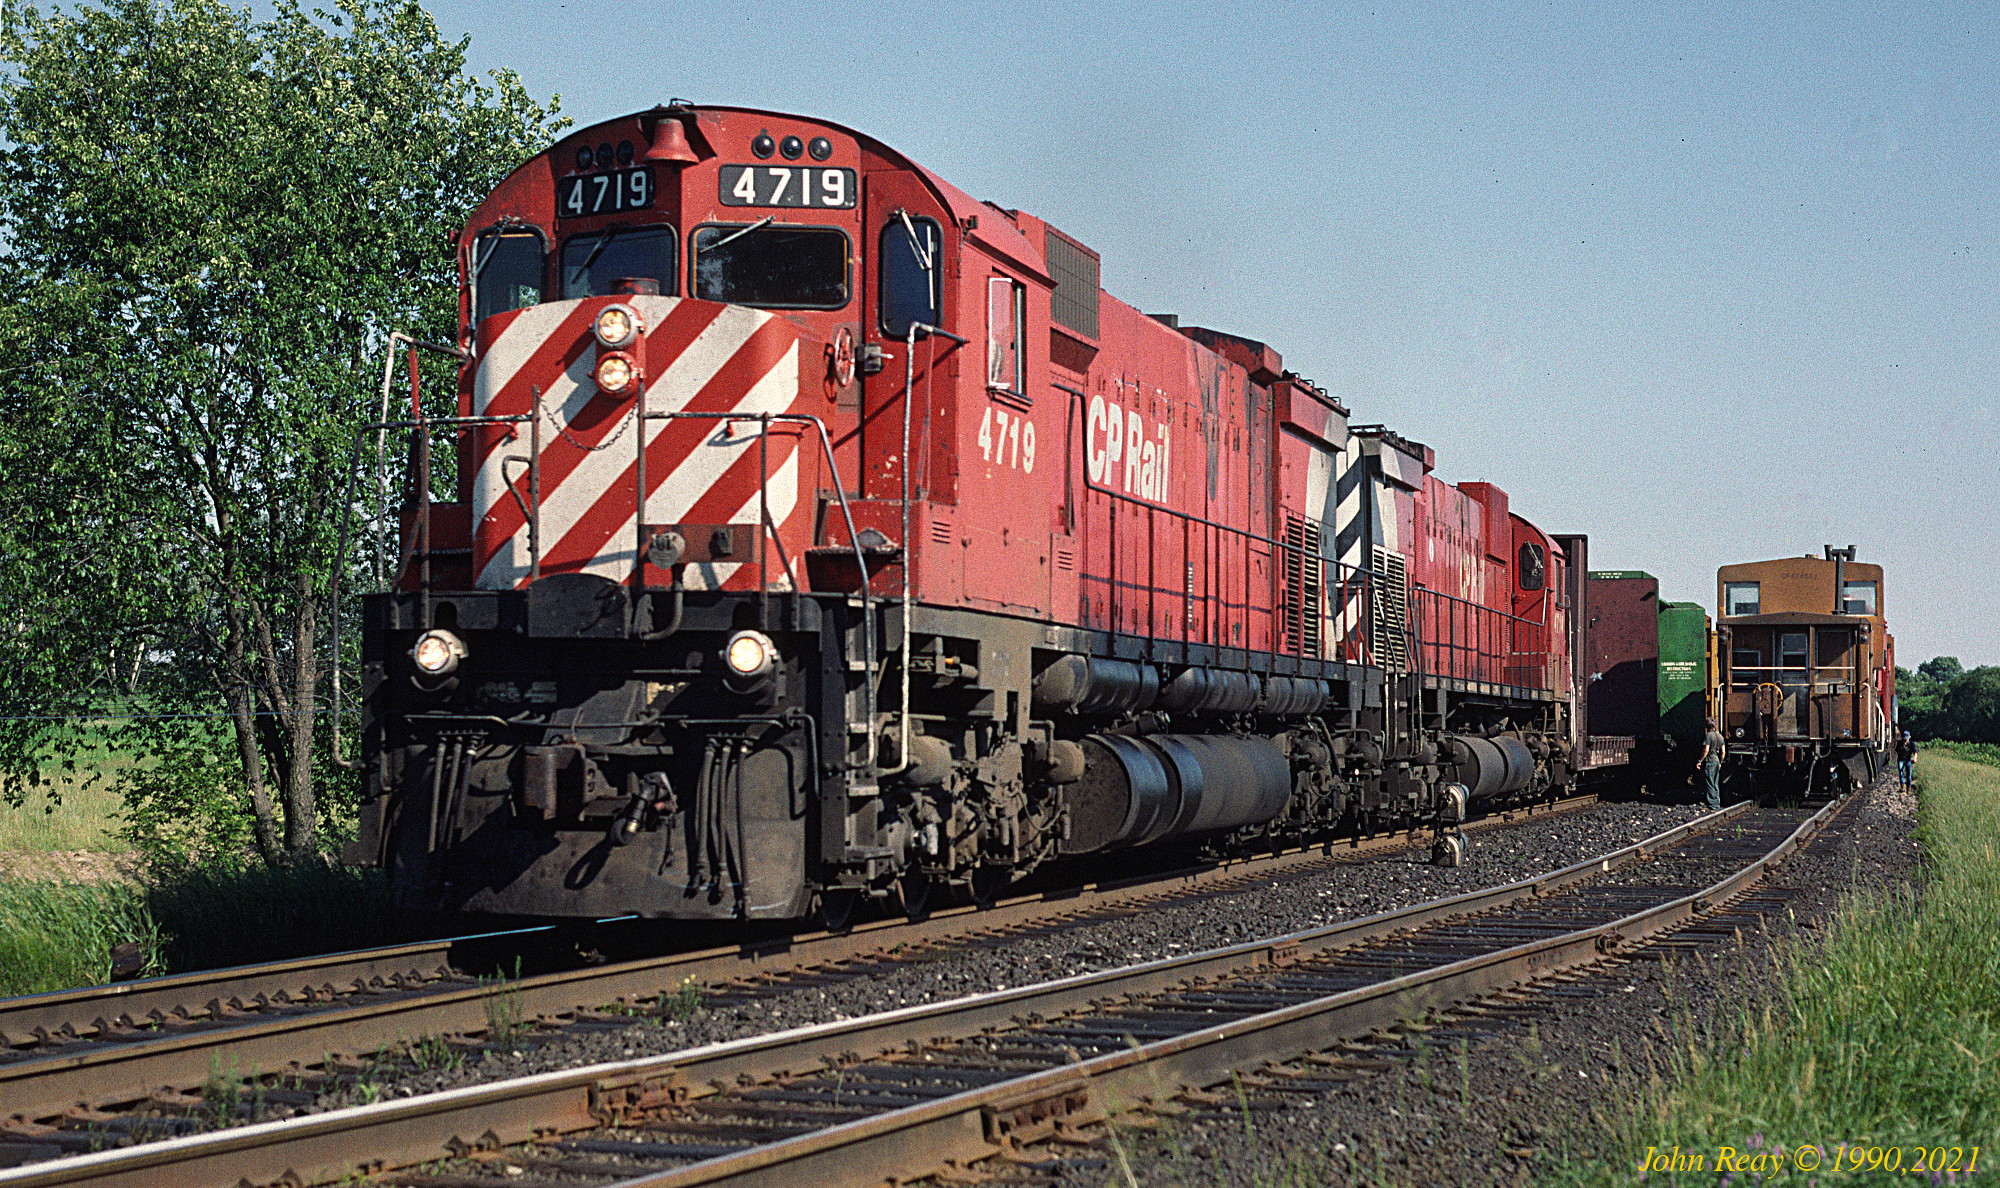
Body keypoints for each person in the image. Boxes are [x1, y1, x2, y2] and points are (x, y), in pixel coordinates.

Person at [1700, 717, 1725, 810]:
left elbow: (1706, 750)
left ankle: (1712, 805)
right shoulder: (1720, 736)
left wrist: (1700, 760)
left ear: (1706, 726)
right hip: (1717, 761)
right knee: (1715, 782)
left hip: (1710, 761)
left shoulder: (1708, 736)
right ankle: (1717, 802)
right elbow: (1723, 752)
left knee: (1710, 782)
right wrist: (1720, 762)